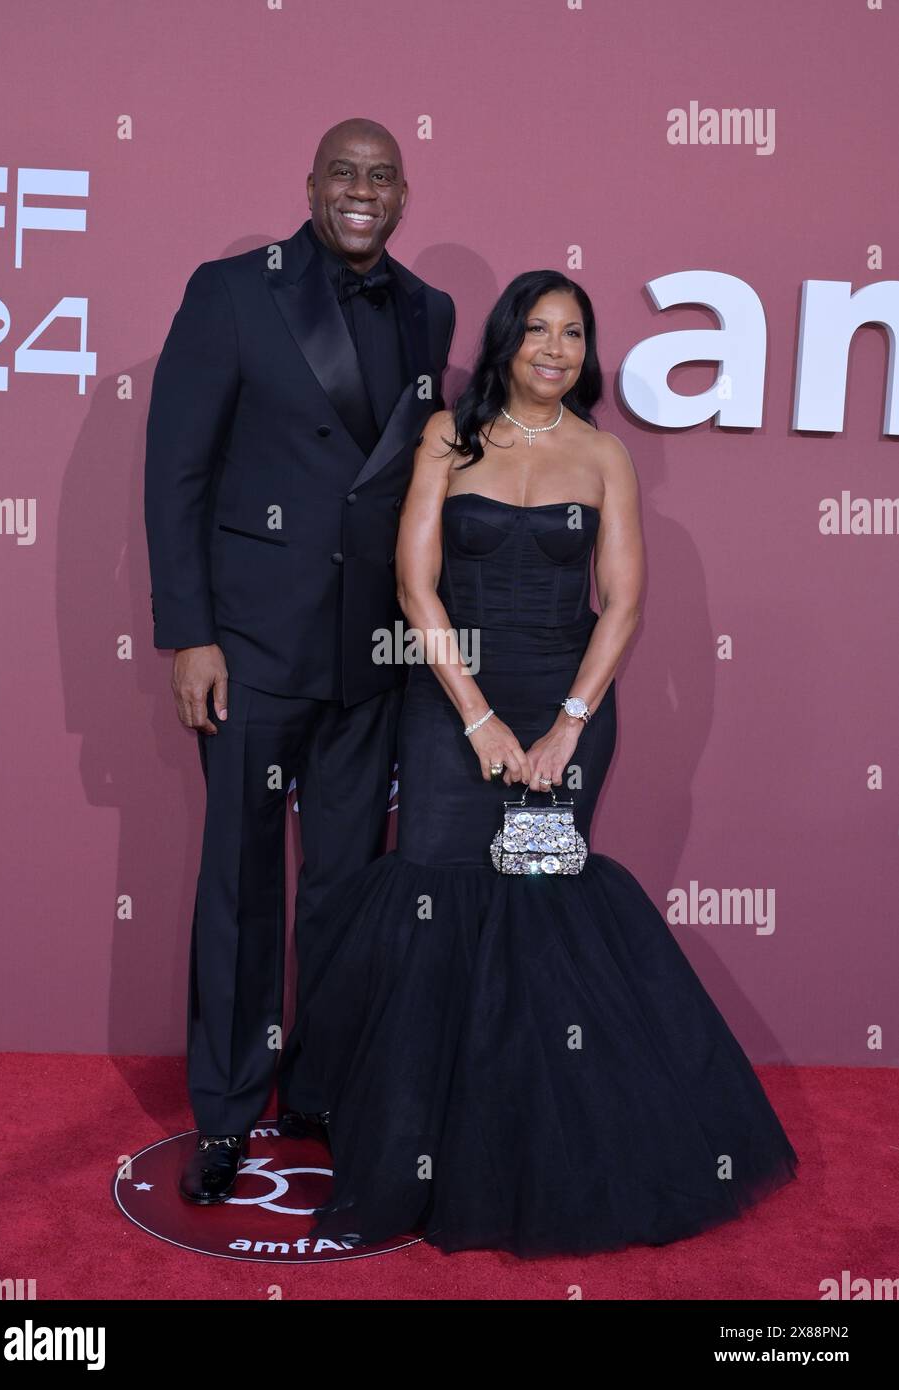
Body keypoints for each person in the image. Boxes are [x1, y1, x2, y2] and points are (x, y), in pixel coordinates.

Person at [275, 269, 799, 1256]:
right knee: (434, 898)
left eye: (574, 334)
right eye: (539, 331)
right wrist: (476, 720)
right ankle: (415, 1153)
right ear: (508, 341)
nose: (556, 350)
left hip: (568, 708)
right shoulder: (446, 437)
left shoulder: (605, 456)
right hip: (449, 706)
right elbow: (413, 586)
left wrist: (566, 723)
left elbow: (626, 607)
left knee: (539, 914)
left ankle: (532, 1156)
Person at [143, 118, 455, 1204]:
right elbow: (175, 471)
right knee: (239, 886)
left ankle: (318, 1089)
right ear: (312, 184)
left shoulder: (430, 309)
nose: (361, 192)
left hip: (369, 659)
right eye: (344, 174)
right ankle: (226, 1111)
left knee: (344, 886)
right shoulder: (233, 291)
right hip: (254, 650)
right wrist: (190, 633)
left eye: (381, 177)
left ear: (403, 193)